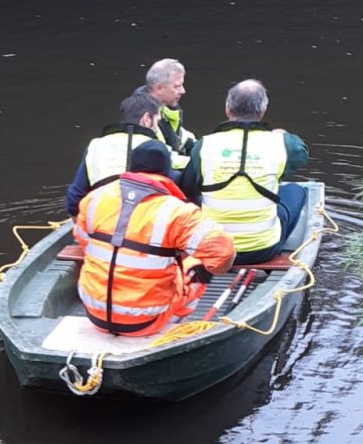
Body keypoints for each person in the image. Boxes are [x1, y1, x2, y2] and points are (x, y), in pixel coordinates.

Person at [73, 141, 235, 337]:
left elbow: (83, 241)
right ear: (167, 173)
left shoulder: (94, 198)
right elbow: (223, 253)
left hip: (94, 313)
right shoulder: (178, 212)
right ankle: (175, 320)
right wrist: (210, 268)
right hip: (144, 321)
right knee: (195, 264)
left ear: (130, 167)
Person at [179, 80, 309, 264]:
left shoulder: (204, 145)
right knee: (296, 191)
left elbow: (187, 187)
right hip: (262, 251)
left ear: (227, 109)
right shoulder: (281, 143)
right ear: (263, 111)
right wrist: (283, 135)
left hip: (213, 247)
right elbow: (302, 154)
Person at [65, 90, 169, 219]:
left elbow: (74, 198)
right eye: (157, 122)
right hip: (140, 219)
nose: (158, 128)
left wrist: (80, 222)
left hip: (101, 218)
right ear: (146, 119)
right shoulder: (155, 148)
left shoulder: (95, 145)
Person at [143, 58, 195, 166]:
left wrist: (203, 146)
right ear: (159, 88)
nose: (183, 91)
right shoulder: (143, 116)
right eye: (177, 86)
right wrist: (199, 163)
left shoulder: (165, 107)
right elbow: (160, 157)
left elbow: (180, 136)